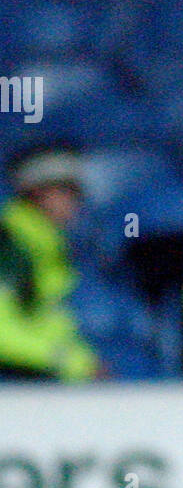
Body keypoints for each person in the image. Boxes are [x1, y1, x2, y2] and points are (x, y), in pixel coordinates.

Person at [0, 145, 101, 382]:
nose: (74, 200)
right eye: (64, 190)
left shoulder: (43, 245)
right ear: (37, 193)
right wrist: (68, 360)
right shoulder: (10, 247)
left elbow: (45, 323)